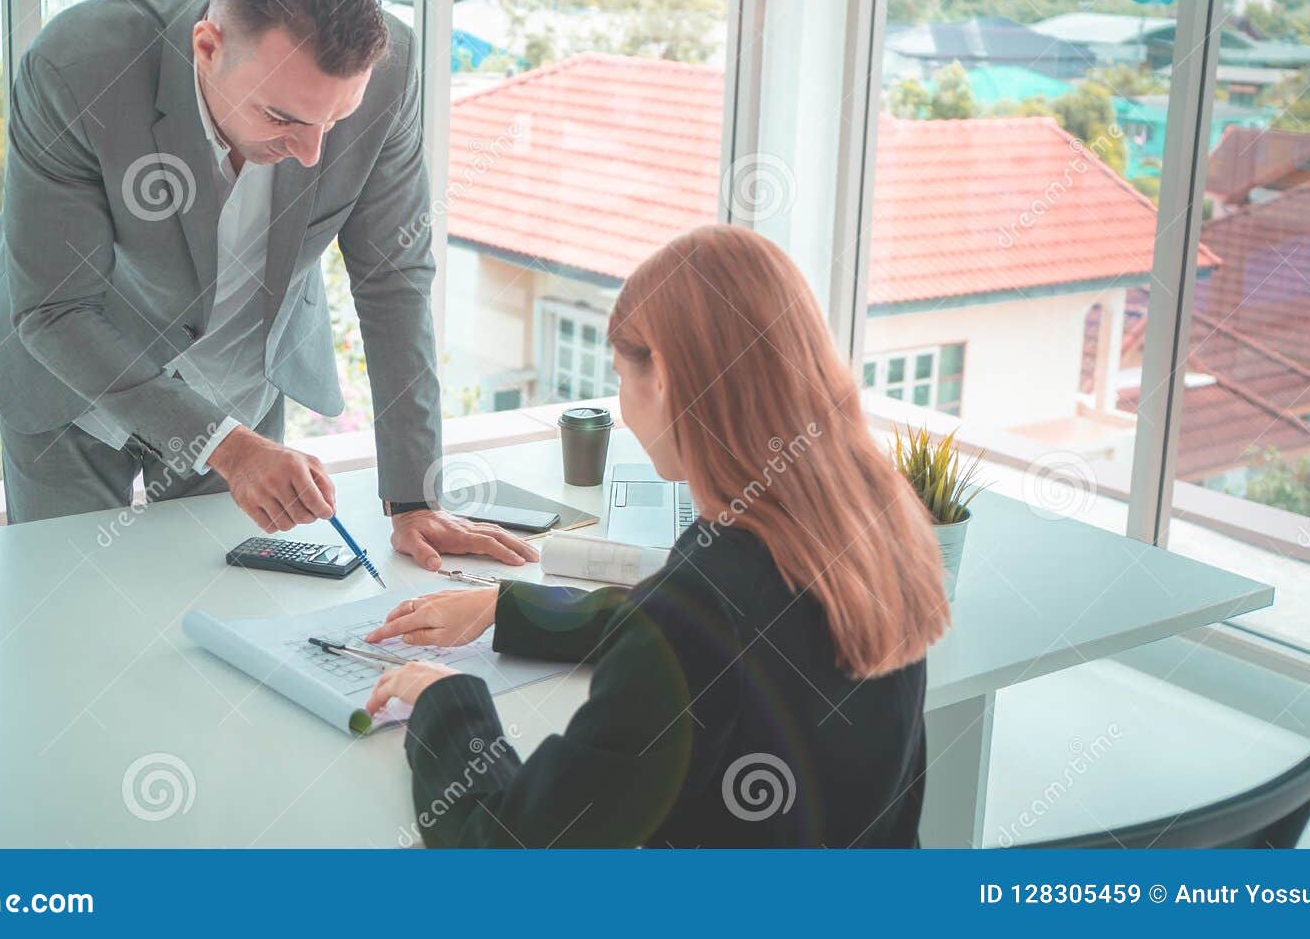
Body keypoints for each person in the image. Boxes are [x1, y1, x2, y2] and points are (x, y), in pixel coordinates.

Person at [0, 0, 532, 569]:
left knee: (223, 613)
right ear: (207, 47)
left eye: (336, 118)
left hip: (241, 383)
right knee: (68, 614)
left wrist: (414, 497)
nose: (311, 152)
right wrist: (226, 446)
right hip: (73, 386)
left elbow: (394, 278)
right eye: (282, 116)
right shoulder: (79, 66)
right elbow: (57, 309)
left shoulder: (389, 72)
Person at [363, 224, 952, 847]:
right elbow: (743, 631)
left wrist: (449, 703)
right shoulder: (875, 518)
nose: (622, 406)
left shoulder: (698, 602)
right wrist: (510, 607)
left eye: (621, 374)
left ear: (664, 377)